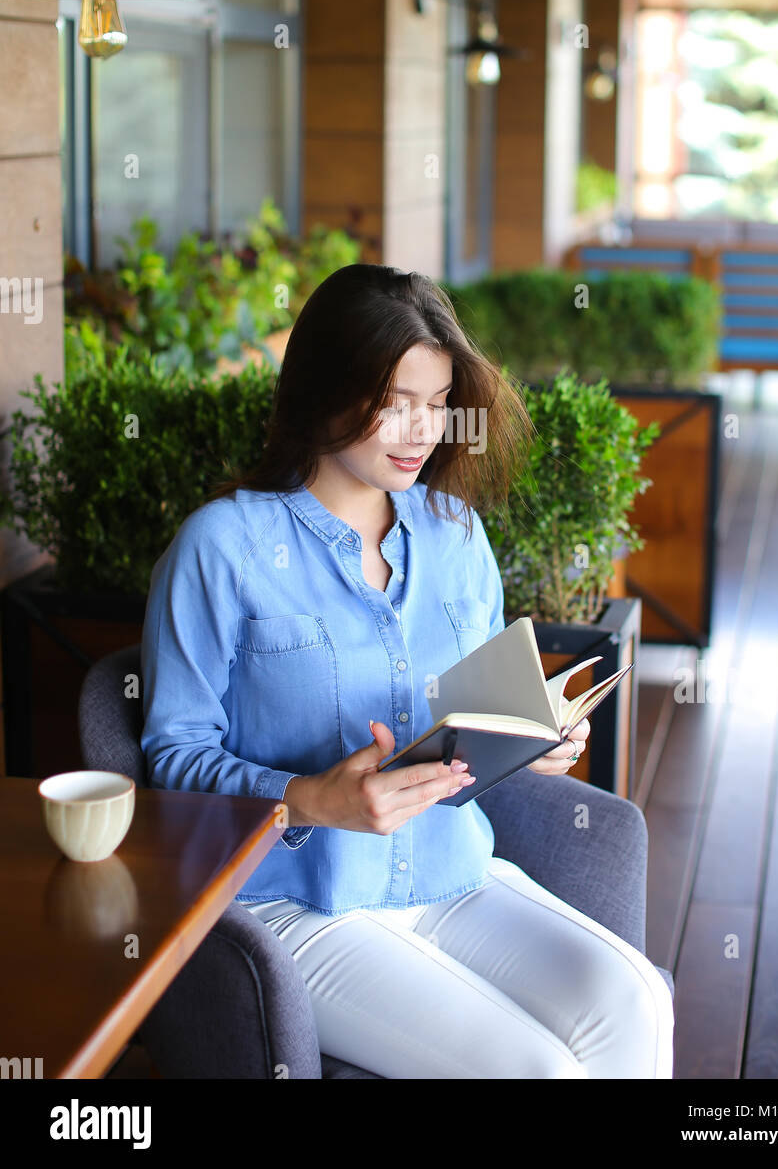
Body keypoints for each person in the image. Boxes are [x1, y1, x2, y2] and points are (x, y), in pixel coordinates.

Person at [140, 263, 674, 1079]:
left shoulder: (457, 537)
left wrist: (532, 739)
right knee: (540, 1069)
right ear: (323, 389)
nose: (421, 431)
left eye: (435, 405)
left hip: (452, 871)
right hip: (295, 902)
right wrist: (311, 798)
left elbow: (474, 720)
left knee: (636, 999)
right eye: (394, 403)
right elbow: (170, 760)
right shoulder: (222, 549)